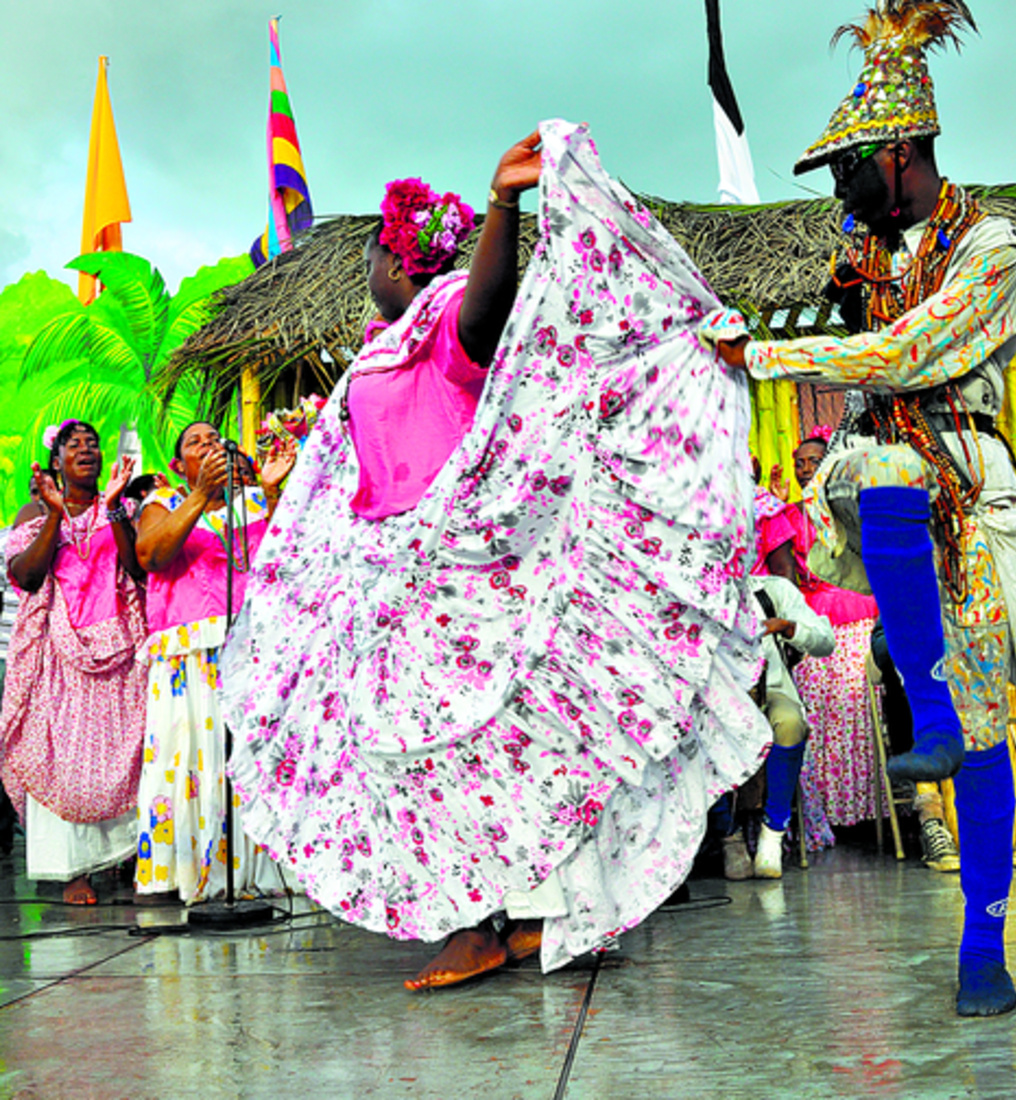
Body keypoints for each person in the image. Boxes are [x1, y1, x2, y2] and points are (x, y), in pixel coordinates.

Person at [220, 122, 772, 992]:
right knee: (444, 754)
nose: (366, 275)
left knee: (461, 751)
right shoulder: (381, 348)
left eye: (371, 258)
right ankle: (505, 916)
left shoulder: (442, 317)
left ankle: (490, 922)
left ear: (399, 264)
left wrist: (501, 205)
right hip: (395, 578)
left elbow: (481, 323)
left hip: (454, 578)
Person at [705, 1, 1016, 1016]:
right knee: (874, 470)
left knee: (995, 725)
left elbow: (912, 352)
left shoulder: (994, 247)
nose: (838, 187)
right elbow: (873, 356)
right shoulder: (871, 255)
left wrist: (771, 354)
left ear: (904, 152)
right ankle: (926, 710)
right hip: (895, 489)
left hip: (970, 485)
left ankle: (982, 940)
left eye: (848, 166)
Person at [133, 422, 297, 903]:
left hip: (248, 650)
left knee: (246, 759)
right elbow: (152, 554)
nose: (210, 446)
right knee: (186, 758)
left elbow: (290, 554)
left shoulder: (253, 504)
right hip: (188, 655)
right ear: (178, 466)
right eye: (195, 443)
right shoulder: (161, 505)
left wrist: (269, 490)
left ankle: (258, 870)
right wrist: (200, 496)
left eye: (215, 440)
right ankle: (180, 870)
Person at [1, 421, 145, 904]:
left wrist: (117, 509)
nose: (87, 450)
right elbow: (27, 575)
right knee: (62, 758)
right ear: (56, 461)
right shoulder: (36, 512)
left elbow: (135, 569)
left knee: (121, 752)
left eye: (93, 444)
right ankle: (72, 870)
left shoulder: (118, 506)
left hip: (119, 648)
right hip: (57, 654)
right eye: (74, 445)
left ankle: (126, 857)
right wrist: (58, 516)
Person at [764, 429, 884, 835]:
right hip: (814, 624)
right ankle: (828, 815)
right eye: (800, 463)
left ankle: (867, 813)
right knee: (816, 718)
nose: (805, 469)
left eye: (814, 462)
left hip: (858, 616)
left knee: (859, 717)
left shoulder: (849, 509)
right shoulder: (790, 515)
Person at [719, 574, 836, 879]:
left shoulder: (772, 590)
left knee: (790, 722)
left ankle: (773, 833)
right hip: (716, 699)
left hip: (769, 689)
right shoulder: (690, 592)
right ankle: (729, 836)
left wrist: (788, 627)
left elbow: (826, 641)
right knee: (696, 735)